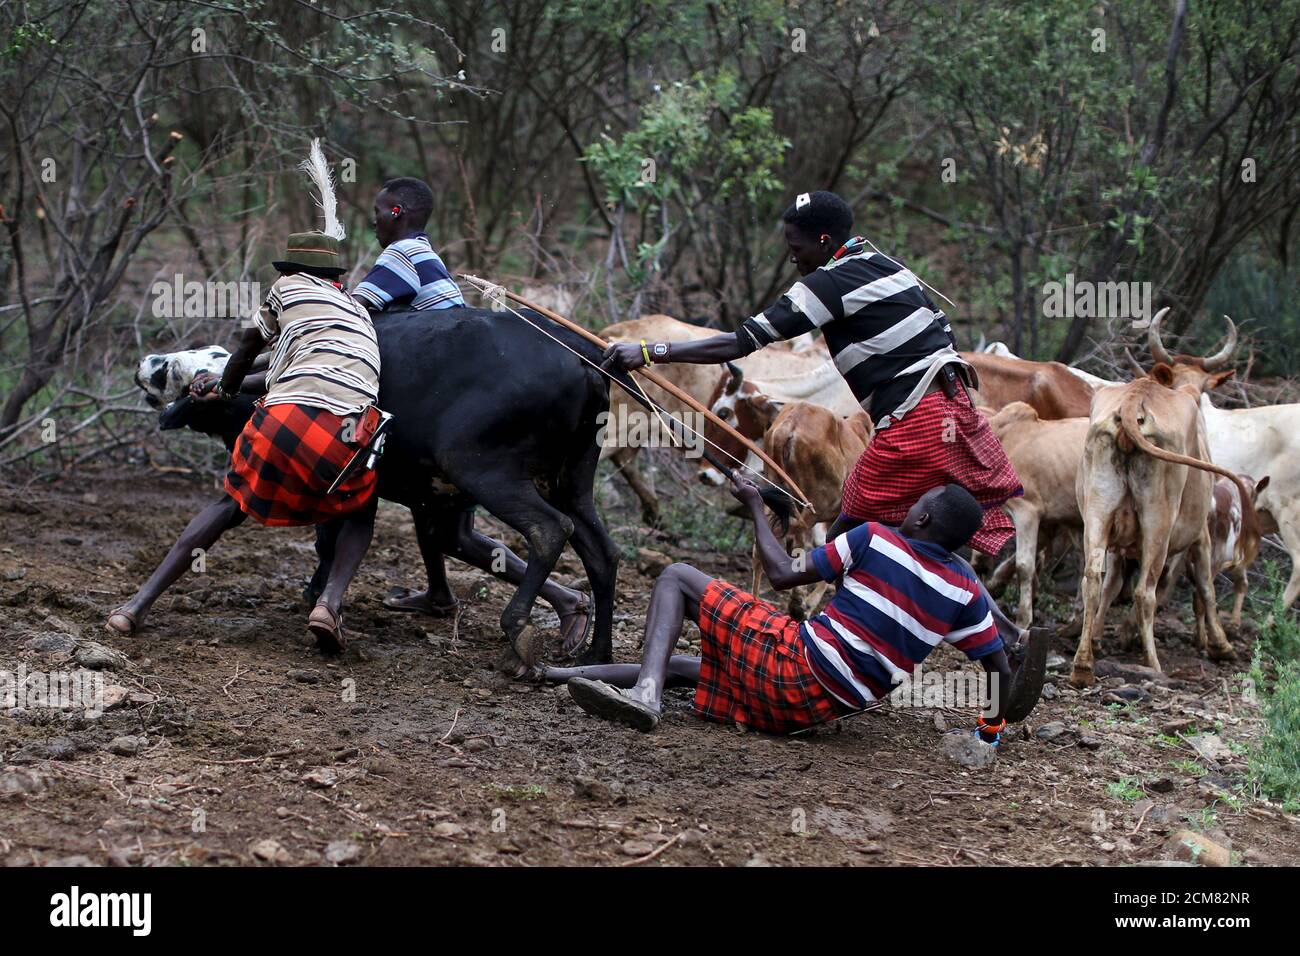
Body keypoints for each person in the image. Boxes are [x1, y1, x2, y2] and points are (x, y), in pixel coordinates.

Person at [601, 189, 1023, 641]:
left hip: (914, 418)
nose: (792, 259)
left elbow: (741, 342)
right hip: (954, 409)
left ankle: (835, 639)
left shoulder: (829, 283)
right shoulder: (885, 266)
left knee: (846, 530)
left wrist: (647, 350)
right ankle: (1004, 638)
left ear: (823, 242)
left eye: (796, 248)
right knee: (919, 537)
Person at [546, 474, 1014, 739]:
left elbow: (781, 574)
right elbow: (997, 665)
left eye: (918, 504)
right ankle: (555, 677)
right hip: (818, 711)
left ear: (925, 517)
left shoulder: (876, 539)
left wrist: (754, 504)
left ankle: (645, 697)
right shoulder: (966, 591)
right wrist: (989, 731)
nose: (909, 509)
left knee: (676, 576)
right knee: (688, 665)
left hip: (797, 669)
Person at [106, 228, 382, 654]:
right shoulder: (358, 311)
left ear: (293, 269)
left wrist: (227, 388)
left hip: (286, 415)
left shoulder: (286, 289)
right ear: (335, 277)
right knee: (361, 509)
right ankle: (329, 602)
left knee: (229, 502)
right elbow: (294, 368)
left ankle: (135, 606)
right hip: (348, 431)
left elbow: (247, 349)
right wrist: (224, 388)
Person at [352, 177, 464, 313]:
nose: (374, 222)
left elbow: (351, 308)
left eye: (378, 212)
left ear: (396, 211)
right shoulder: (422, 252)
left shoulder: (403, 251)